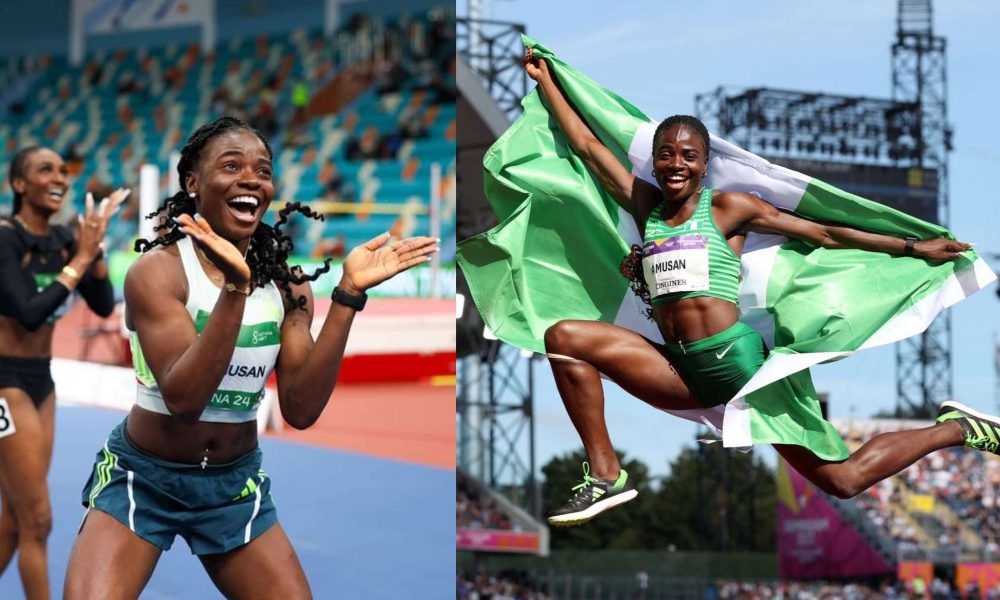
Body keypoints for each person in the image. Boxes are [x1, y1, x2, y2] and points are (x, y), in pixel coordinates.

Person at [522, 49, 997, 527]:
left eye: (688, 155)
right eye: (665, 154)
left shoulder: (730, 208)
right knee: (563, 338)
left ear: (705, 164)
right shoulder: (646, 208)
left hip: (739, 367)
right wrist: (548, 82)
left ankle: (956, 430)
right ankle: (606, 475)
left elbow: (826, 232)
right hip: (679, 370)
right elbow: (585, 144)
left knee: (845, 480)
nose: (675, 164)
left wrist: (913, 248)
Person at [62, 117, 438, 598]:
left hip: (233, 486)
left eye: (262, 170)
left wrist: (346, 296)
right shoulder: (158, 273)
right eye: (231, 165)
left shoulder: (287, 284)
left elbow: (300, 411)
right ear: (193, 183)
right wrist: (235, 291)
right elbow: (184, 399)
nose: (251, 180)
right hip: (144, 478)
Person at [0, 146, 126, 599]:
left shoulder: (63, 241)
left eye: (62, 170)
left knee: (15, 520)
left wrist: (96, 250)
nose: (60, 177)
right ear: (19, 185)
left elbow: (103, 303)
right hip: (3, 383)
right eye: (45, 169)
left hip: (41, 381)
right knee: (38, 518)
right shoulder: (5, 238)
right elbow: (30, 313)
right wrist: (79, 260)